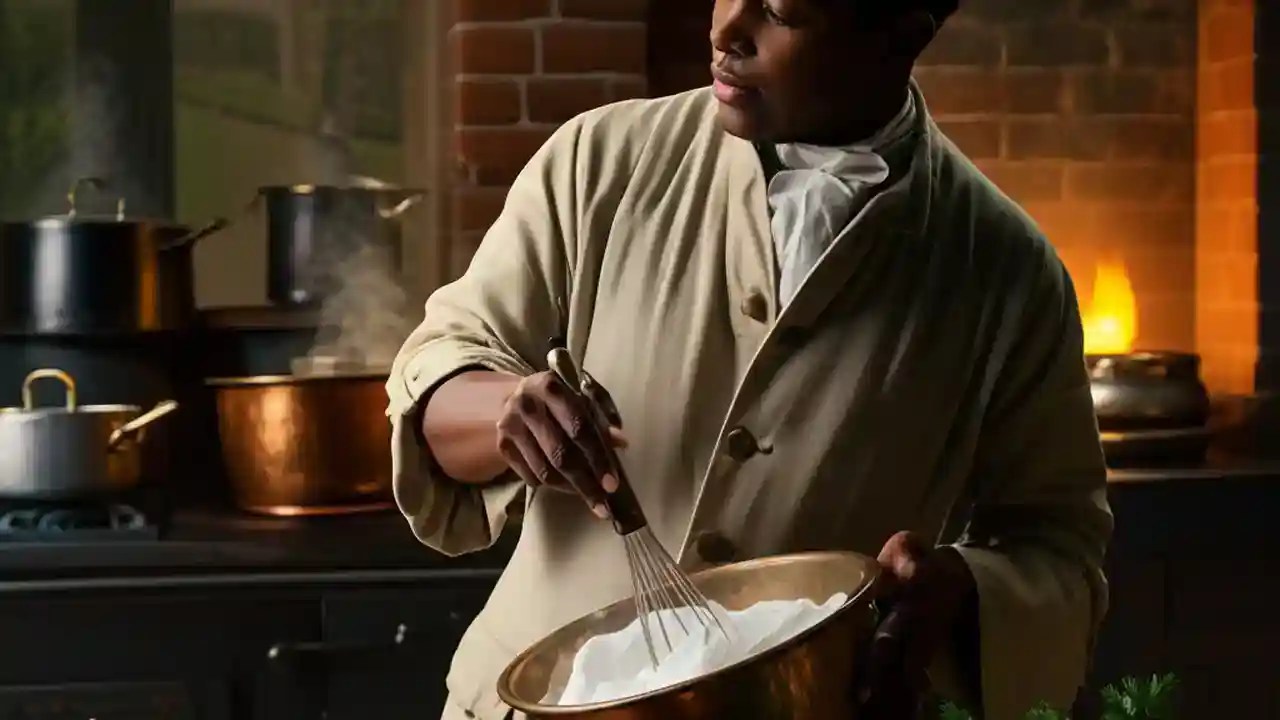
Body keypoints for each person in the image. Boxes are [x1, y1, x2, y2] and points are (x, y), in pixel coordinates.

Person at [386, 0, 1113, 718]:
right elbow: (441, 370)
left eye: (780, 9)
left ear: (900, 33)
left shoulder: (1009, 274)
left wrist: (953, 588)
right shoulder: (598, 159)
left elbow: (1059, 554)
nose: (727, 28)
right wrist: (503, 410)